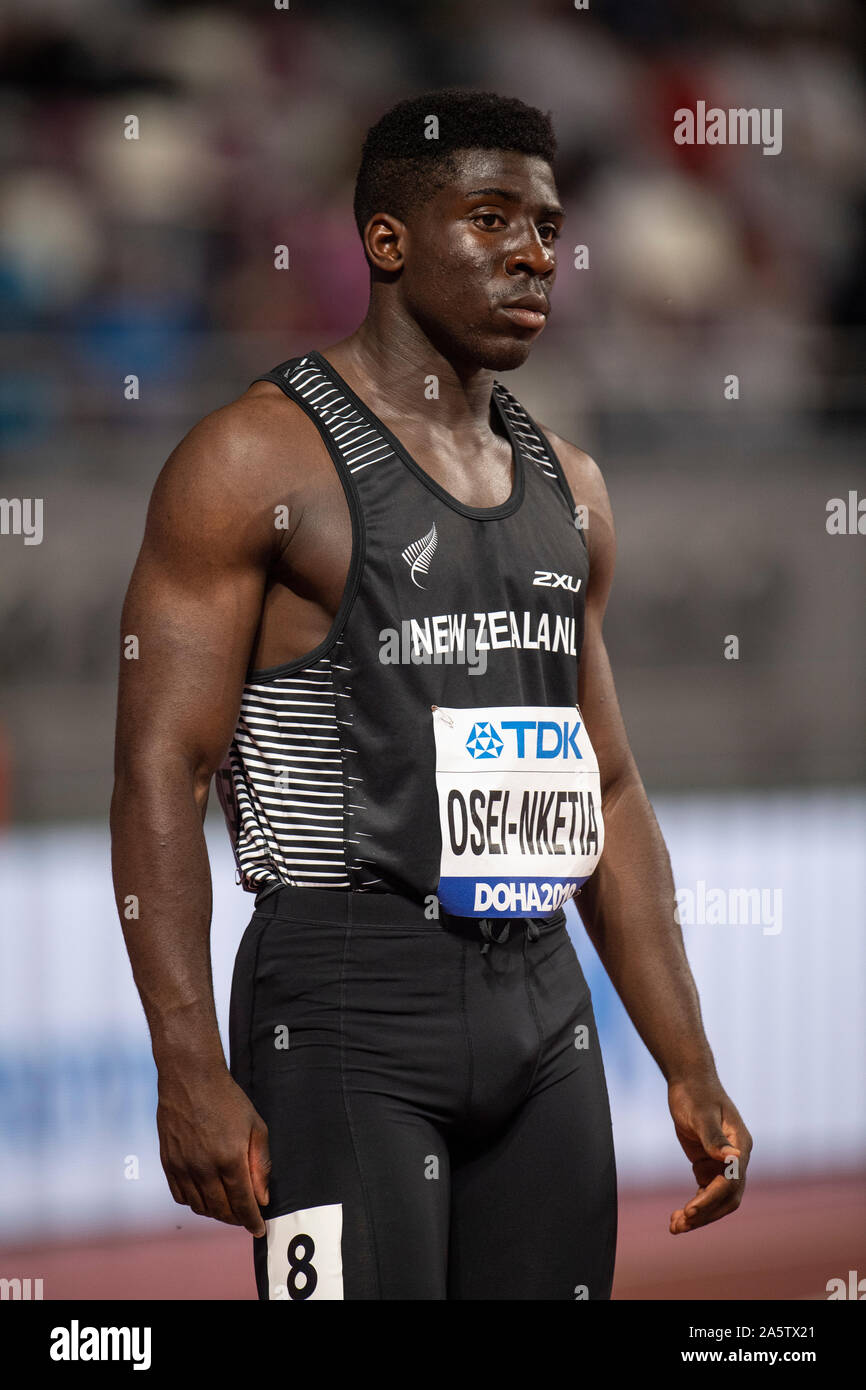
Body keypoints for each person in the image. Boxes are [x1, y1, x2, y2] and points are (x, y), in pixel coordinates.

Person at [110, 90, 752, 1300]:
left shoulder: (570, 487)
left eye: (547, 226)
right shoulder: (252, 461)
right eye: (490, 218)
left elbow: (607, 787)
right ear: (388, 241)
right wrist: (185, 1061)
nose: (533, 253)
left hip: (542, 1006)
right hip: (342, 1007)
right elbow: (161, 770)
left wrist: (686, 1058)